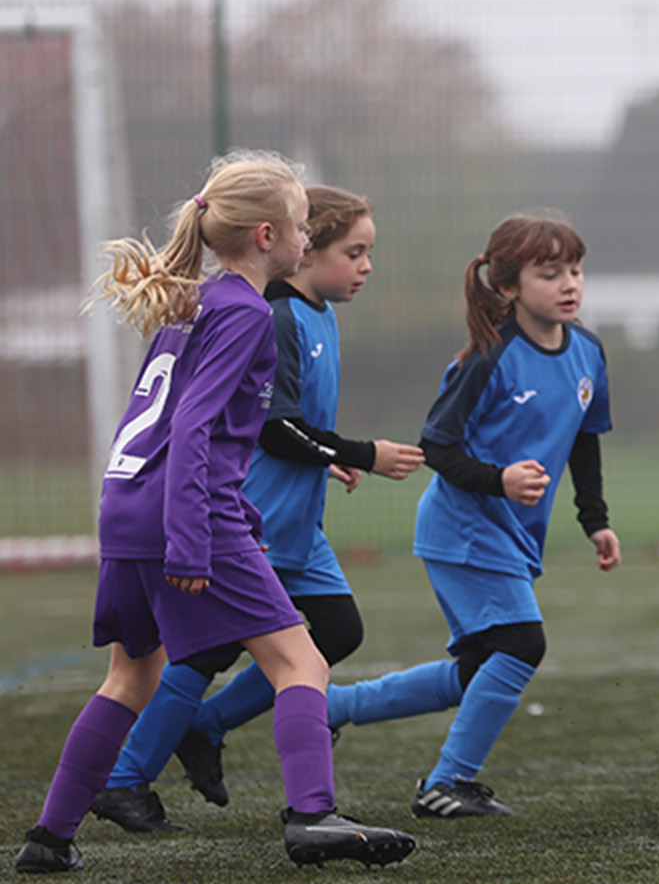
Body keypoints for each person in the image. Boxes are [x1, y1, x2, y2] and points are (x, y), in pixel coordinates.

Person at [13, 152, 415, 873]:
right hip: (181, 517)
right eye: (299, 226)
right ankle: (312, 815)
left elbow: (157, 423)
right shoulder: (245, 313)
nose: (305, 237)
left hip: (128, 507)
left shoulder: (188, 303)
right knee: (302, 661)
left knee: (130, 679)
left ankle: (49, 839)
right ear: (267, 236)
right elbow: (194, 428)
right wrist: (194, 541)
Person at [317, 208, 619, 819]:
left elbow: (583, 438)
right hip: (463, 528)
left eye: (576, 271)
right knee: (520, 644)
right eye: (549, 273)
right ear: (507, 287)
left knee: (480, 667)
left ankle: (329, 710)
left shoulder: (588, 350)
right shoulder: (487, 358)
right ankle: (446, 783)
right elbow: (437, 449)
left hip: (511, 535)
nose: (569, 285)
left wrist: (595, 519)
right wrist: (499, 481)